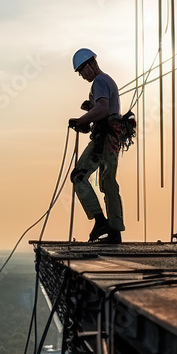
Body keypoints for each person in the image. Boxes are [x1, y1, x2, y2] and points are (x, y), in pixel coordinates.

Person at [67, 48, 125, 244]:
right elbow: (102, 111)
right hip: (112, 138)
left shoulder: (100, 81)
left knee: (79, 176)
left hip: (105, 139)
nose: (82, 76)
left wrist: (80, 120)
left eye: (82, 71)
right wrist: (88, 121)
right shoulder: (107, 81)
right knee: (108, 182)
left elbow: (102, 109)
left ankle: (100, 221)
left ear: (91, 64)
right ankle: (114, 231)